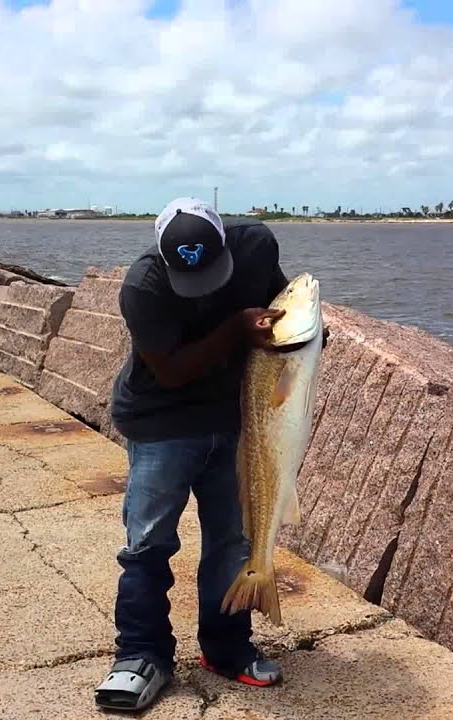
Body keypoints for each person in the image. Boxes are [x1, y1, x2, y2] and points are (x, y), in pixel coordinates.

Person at [93, 197, 326, 712]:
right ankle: (140, 655)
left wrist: (301, 339)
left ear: (225, 245)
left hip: (233, 420)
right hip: (161, 422)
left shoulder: (256, 247)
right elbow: (171, 371)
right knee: (148, 542)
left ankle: (224, 647)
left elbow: (280, 314)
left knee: (231, 541)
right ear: (164, 258)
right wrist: (237, 328)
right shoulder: (144, 287)